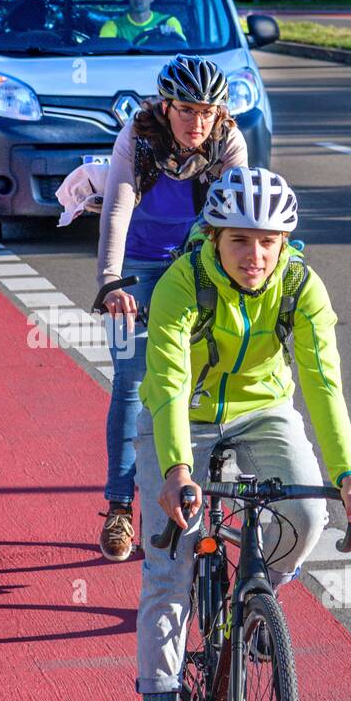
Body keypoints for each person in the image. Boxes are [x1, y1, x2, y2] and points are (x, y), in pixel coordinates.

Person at [133, 165, 351, 701]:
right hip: (181, 417)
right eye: (240, 240)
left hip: (264, 409)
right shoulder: (181, 284)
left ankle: (259, 595)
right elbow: (165, 382)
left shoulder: (301, 285)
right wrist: (177, 472)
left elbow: (323, 384)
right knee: (170, 569)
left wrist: (349, 475)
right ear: (213, 237)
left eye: (268, 240)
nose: (255, 254)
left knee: (309, 516)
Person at [93, 55, 248, 562]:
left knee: (205, 370)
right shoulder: (137, 136)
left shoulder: (228, 140)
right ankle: (119, 508)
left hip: (196, 257)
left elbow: (239, 213)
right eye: (187, 110)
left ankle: (207, 489)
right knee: (132, 380)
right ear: (166, 105)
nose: (197, 122)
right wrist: (111, 282)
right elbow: (116, 206)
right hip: (137, 261)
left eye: (208, 111)